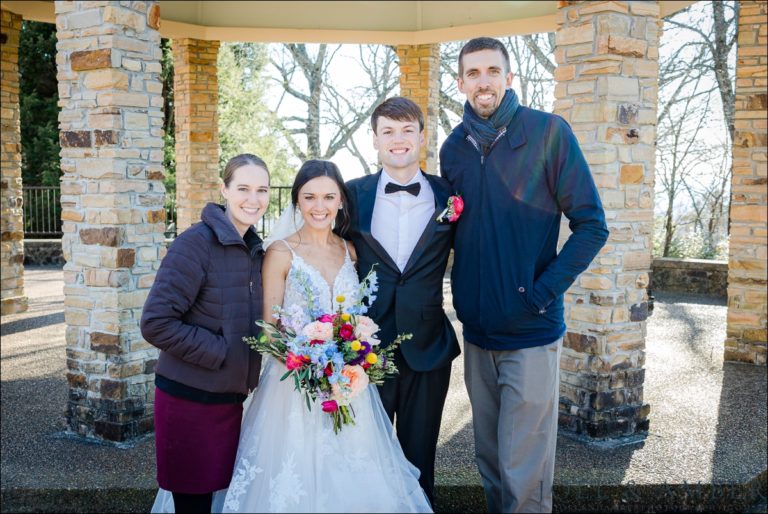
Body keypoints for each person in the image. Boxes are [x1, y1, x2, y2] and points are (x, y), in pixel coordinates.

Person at [439, 37, 609, 513]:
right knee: (490, 462)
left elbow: (592, 225)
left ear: (509, 78)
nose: (483, 81)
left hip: (531, 331)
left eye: (492, 71)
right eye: (473, 73)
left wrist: (541, 293)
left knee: (524, 475)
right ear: (460, 83)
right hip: (477, 332)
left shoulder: (549, 133)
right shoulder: (453, 149)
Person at [217, 159, 431, 513]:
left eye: (329, 197)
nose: (320, 206)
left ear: (341, 201)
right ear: (297, 201)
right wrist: (310, 366)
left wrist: (352, 357)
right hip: (294, 388)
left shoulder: (350, 251)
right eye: (309, 196)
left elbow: (356, 317)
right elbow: (269, 330)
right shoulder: (280, 252)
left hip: (349, 386)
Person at [346, 97, 460, 507]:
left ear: (422, 137)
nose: (398, 140)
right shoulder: (351, 195)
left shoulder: (450, 195)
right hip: (364, 351)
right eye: (388, 132)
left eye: (407, 130)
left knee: (420, 463)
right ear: (374, 140)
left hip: (429, 348)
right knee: (363, 461)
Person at [141, 153, 270, 514]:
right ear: (224, 190)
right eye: (243, 188)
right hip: (188, 401)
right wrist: (221, 352)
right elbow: (155, 322)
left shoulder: (256, 250)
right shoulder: (195, 244)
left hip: (228, 402)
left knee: (219, 501)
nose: (253, 199)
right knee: (192, 505)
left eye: (261, 190)